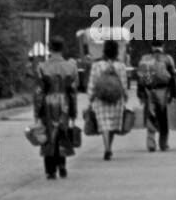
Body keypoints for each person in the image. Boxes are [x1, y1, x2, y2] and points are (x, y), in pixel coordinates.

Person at [34, 36, 78, 179]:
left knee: (48, 135)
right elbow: (72, 90)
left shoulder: (42, 67)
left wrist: (37, 111)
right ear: (62, 48)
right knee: (62, 133)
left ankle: (50, 169)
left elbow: (39, 91)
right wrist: (73, 110)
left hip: (48, 102)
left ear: (49, 48)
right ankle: (62, 163)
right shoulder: (71, 66)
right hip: (64, 101)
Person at [88, 38, 130, 161]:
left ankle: (107, 148)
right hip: (116, 99)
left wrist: (90, 97)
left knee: (104, 124)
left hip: (101, 98)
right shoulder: (121, 66)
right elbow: (123, 83)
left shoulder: (97, 65)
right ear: (117, 51)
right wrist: (125, 96)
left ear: (104, 51)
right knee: (113, 125)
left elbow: (92, 82)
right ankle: (109, 146)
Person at [137, 44, 176, 152]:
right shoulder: (168, 58)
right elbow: (172, 76)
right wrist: (175, 93)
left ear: (152, 47)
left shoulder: (145, 58)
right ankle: (163, 143)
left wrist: (140, 92)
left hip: (149, 90)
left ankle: (151, 143)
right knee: (164, 116)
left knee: (151, 116)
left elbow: (140, 76)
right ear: (162, 46)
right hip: (163, 91)